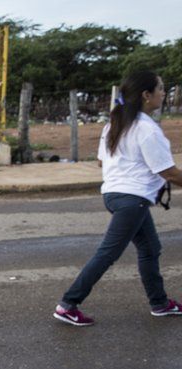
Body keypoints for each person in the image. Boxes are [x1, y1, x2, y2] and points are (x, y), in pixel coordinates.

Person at [54, 71, 182, 326]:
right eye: (160, 89)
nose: (163, 93)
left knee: (150, 249)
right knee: (108, 253)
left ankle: (160, 303)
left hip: (115, 194)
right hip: (131, 199)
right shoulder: (146, 129)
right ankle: (68, 304)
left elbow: (102, 160)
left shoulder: (114, 124)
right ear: (146, 95)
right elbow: (167, 171)